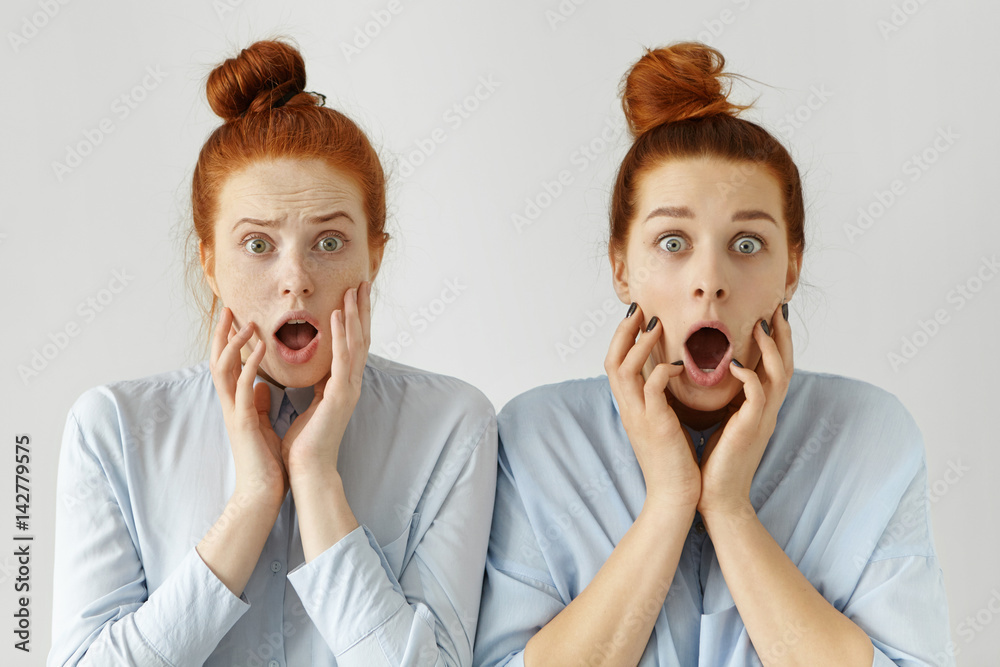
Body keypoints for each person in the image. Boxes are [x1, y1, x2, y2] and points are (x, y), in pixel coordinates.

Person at [474, 42, 952, 666]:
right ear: (622, 269)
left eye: (747, 243)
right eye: (672, 241)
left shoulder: (871, 435)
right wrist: (671, 500)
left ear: (792, 269)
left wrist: (729, 507)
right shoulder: (536, 437)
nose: (710, 280)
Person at [49, 39, 497, 667]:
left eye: (330, 241)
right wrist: (254, 496)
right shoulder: (112, 430)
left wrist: (315, 478)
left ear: (376, 255)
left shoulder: (454, 424)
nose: (297, 280)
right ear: (209, 262)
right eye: (258, 245)